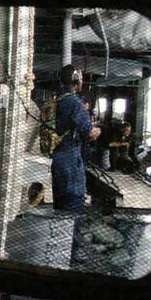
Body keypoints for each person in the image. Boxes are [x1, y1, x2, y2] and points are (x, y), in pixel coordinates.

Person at [51, 64, 100, 211]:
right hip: (71, 159)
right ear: (75, 80)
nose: (82, 81)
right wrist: (97, 131)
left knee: (60, 204)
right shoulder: (75, 103)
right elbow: (88, 133)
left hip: (57, 158)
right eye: (81, 77)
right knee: (73, 202)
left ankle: (60, 233)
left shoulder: (58, 99)